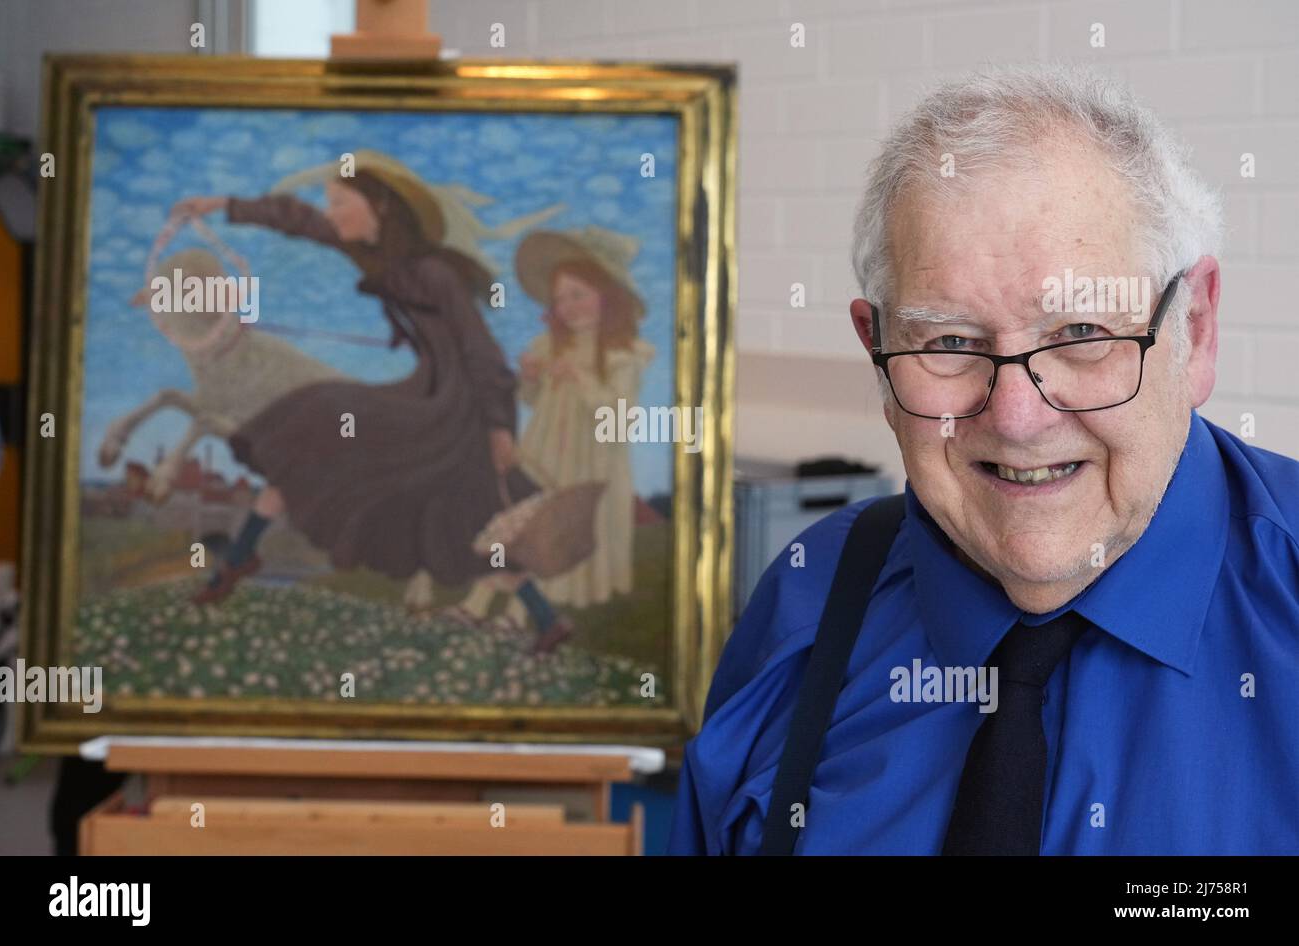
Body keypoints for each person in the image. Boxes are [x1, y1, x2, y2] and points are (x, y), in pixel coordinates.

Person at [669, 63, 1299, 855]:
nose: (1018, 418)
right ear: (877, 352)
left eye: (1080, 336)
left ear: (1196, 330)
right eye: (951, 344)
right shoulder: (808, 603)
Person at [169, 151, 578, 653]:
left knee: (322, 422)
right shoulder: (380, 257)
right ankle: (238, 559)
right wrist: (223, 204)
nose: (332, 214)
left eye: (342, 202)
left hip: (452, 407)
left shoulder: (432, 273)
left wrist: (497, 429)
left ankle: (236, 559)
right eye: (331, 204)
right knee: (461, 516)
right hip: (431, 396)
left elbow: (482, 352)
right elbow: (304, 223)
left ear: (380, 205)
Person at [453, 226, 654, 630]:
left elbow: (615, 419)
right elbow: (533, 400)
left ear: (608, 295)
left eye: (578, 294)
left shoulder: (623, 355)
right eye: (560, 299)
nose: (568, 307)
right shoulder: (550, 345)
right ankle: (475, 605)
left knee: (548, 539)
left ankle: (516, 615)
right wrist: (529, 377)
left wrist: (580, 379)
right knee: (514, 526)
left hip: (587, 464)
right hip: (543, 452)